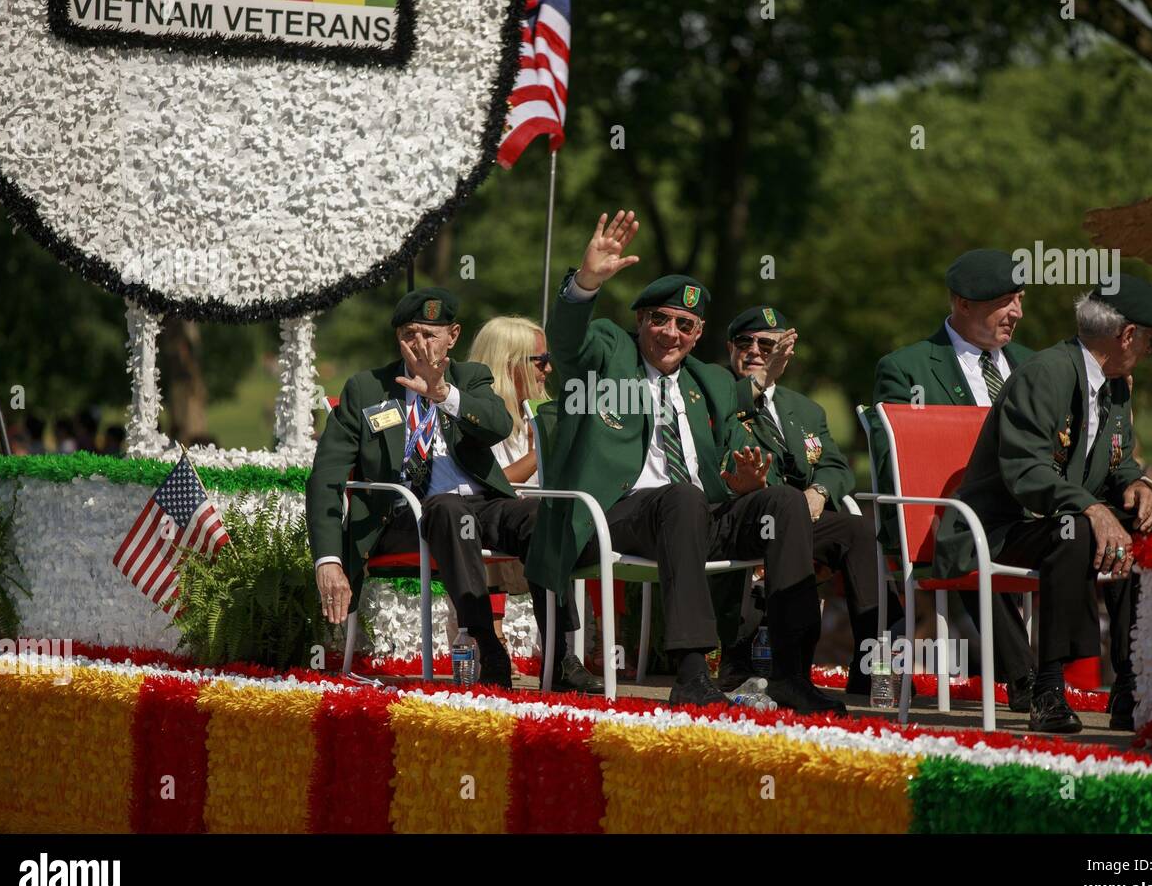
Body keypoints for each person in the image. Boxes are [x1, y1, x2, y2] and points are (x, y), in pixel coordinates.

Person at [525, 211, 844, 714]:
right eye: (660, 319)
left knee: (782, 502)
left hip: (696, 515)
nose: (671, 333)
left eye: (685, 325)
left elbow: (735, 456)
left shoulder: (711, 383)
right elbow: (565, 345)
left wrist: (744, 482)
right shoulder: (610, 352)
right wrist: (586, 283)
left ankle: (789, 673)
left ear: (697, 335)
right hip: (619, 515)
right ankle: (693, 671)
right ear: (640, 322)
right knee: (681, 498)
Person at [307, 287, 601, 694]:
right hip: (404, 516)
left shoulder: (471, 378)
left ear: (453, 336)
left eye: (431, 334)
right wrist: (328, 558)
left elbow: (497, 424)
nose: (420, 344)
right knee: (447, 510)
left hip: (481, 503)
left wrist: (443, 394)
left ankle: (560, 654)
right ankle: (487, 645)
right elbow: (326, 475)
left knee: (541, 516)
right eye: (410, 334)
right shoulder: (367, 389)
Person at [933, 276, 1152, 733]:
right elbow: (1026, 471)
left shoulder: (1117, 384)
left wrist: (1141, 485)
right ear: (1127, 336)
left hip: (1056, 519)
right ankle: (1047, 690)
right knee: (1079, 531)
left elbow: (1116, 459)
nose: (1151, 350)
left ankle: (1133, 681)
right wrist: (1092, 508)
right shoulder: (1046, 373)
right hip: (1000, 528)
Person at [869, 248, 1038, 709]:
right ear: (963, 304)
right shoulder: (908, 368)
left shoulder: (1034, 366)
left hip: (1031, 512)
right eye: (1005, 301)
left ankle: (1122, 680)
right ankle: (1029, 680)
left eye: (1020, 299)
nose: (1017, 313)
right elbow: (897, 465)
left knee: (1093, 532)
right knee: (973, 535)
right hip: (944, 517)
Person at [718, 304, 887, 694]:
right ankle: (744, 660)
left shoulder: (805, 408)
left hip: (802, 516)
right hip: (743, 514)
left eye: (768, 344)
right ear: (730, 347)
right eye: (747, 342)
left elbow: (837, 466)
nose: (757, 351)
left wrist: (819, 491)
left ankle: (869, 665)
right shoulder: (720, 393)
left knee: (859, 530)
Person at [466, 316, 600, 693]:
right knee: (548, 523)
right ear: (511, 364)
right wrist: (543, 456)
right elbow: (489, 481)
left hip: (532, 520)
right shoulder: (477, 413)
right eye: (540, 360)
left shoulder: (534, 413)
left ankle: (565, 653)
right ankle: (561, 657)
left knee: (570, 520)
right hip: (486, 516)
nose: (549, 369)